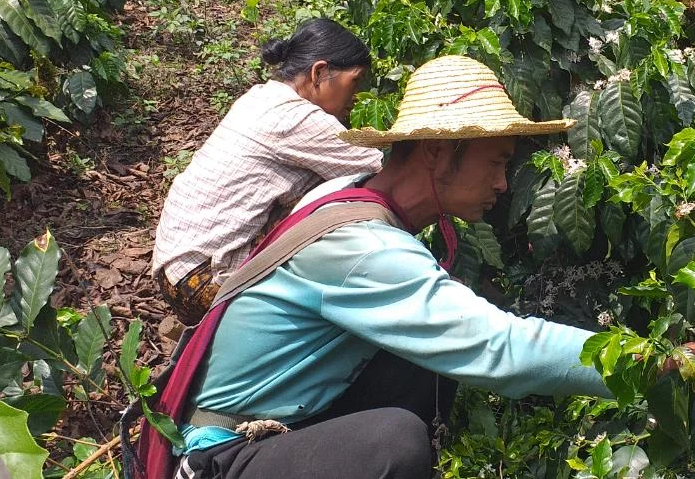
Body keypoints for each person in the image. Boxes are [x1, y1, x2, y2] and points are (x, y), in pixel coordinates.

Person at [172, 55, 616, 478]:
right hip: (220, 457)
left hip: (280, 422)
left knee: (431, 347)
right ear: (439, 151)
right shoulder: (361, 246)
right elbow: (502, 348)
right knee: (395, 443)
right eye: (497, 161)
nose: (502, 183)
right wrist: (643, 359)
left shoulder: (351, 193)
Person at [150, 18, 383, 324]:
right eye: (356, 81)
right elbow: (384, 172)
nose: (357, 97)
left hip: (176, 266)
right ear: (320, 73)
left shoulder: (261, 96)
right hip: (206, 278)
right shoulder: (298, 118)